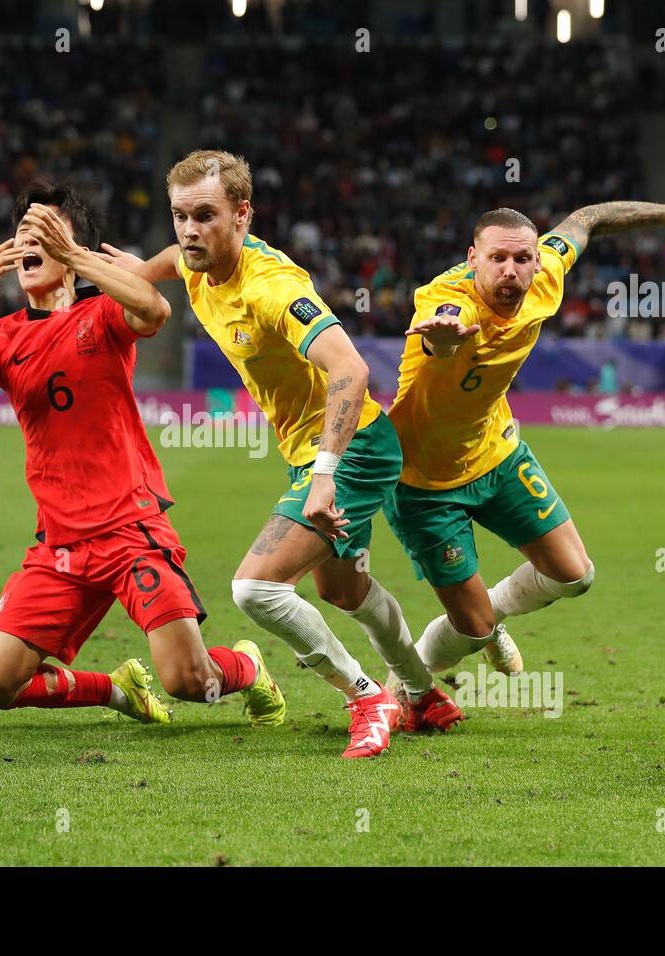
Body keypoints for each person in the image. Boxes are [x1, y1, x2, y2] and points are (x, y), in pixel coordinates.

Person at [98, 150, 457, 757]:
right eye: (179, 216)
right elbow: (170, 261)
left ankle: (366, 695)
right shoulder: (196, 261)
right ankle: (425, 696)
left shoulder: (272, 288)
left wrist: (325, 475)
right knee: (345, 591)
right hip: (314, 451)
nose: (189, 230)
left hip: (352, 450)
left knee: (255, 589)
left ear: (242, 216)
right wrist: (141, 268)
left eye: (204, 216)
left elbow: (351, 369)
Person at [0, 180, 285, 726]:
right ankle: (117, 691)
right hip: (59, 545)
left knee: (190, 682)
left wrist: (78, 259)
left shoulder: (101, 316)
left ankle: (247, 666)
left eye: (45, 232)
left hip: (128, 530)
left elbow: (155, 310)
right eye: (22, 231)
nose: (28, 241)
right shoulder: (0, 336)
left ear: (72, 255)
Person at [394, 191, 665, 680]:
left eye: (521, 258)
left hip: (495, 453)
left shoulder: (545, 277)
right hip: (422, 478)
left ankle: (492, 615)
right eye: (496, 258)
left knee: (576, 576)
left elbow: (589, 218)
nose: (509, 269)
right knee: (470, 630)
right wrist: (441, 339)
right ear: (473, 260)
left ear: (536, 261)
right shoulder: (446, 301)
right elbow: (442, 328)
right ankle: (404, 685)